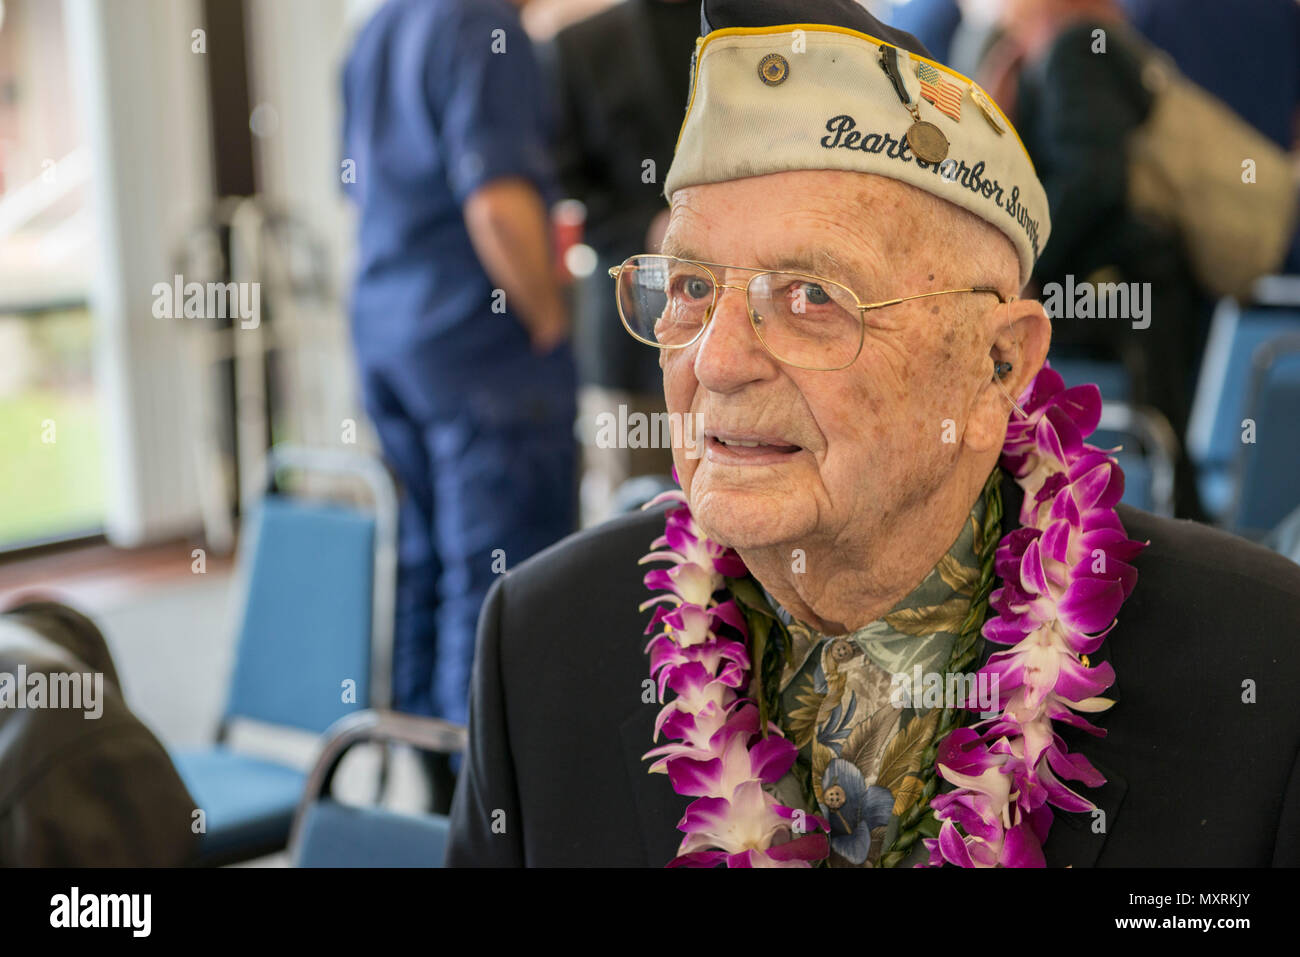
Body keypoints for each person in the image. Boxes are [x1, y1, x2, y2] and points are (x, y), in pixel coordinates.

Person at [445, 0, 1300, 867]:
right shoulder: (542, 646)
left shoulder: (1262, 673)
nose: (717, 361)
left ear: (997, 365)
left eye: (812, 296)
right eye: (693, 287)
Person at [342, 0, 578, 810]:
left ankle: (433, 791)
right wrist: (548, 318)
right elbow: (497, 205)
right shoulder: (483, 27)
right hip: (478, 350)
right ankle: (487, 810)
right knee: (501, 582)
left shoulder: (381, 28)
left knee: (423, 563)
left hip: (390, 331)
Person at [999, 0, 1211, 521]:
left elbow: (1094, 179)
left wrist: (1029, 266)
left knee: (1161, 467)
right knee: (1168, 458)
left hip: (1121, 289)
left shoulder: (1075, 49)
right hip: (1146, 288)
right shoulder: (1098, 45)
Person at [546, 0, 701, 523]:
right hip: (627, 338)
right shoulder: (580, 46)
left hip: (743, 330)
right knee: (633, 522)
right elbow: (563, 192)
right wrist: (647, 230)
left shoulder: (755, 30)